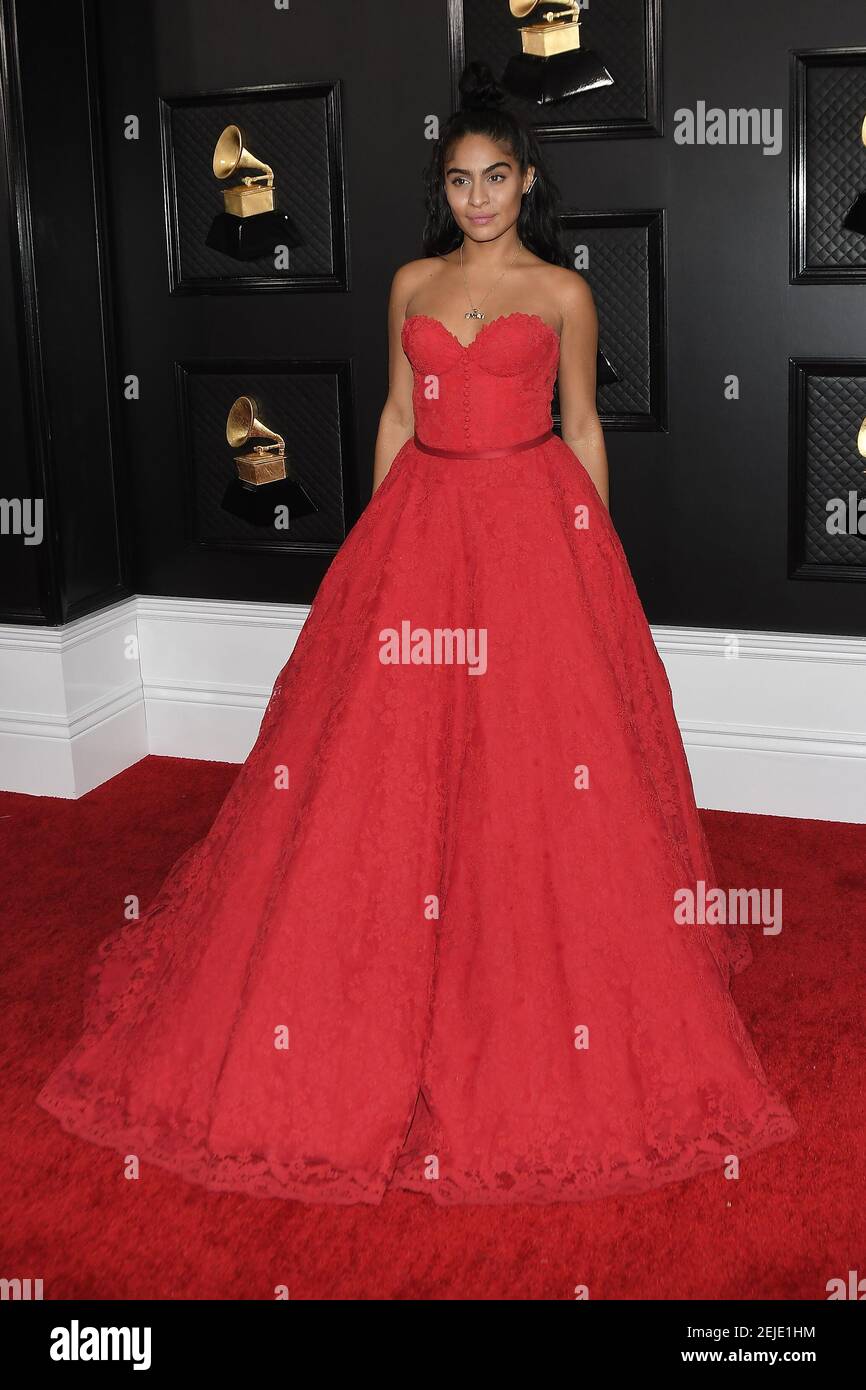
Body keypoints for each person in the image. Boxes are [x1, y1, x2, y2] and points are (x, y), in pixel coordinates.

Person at [36, 62, 797, 1205]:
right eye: (459, 180)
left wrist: (596, 555)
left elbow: (584, 428)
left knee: (540, 767)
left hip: (533, 530)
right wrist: (373, 556)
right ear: (440, 188)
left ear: (526, 183)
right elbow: (396, 414)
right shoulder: (408, 284)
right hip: (423, 524)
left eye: (496, 178)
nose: (478, 198)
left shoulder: (560, 294)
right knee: (378, 767)